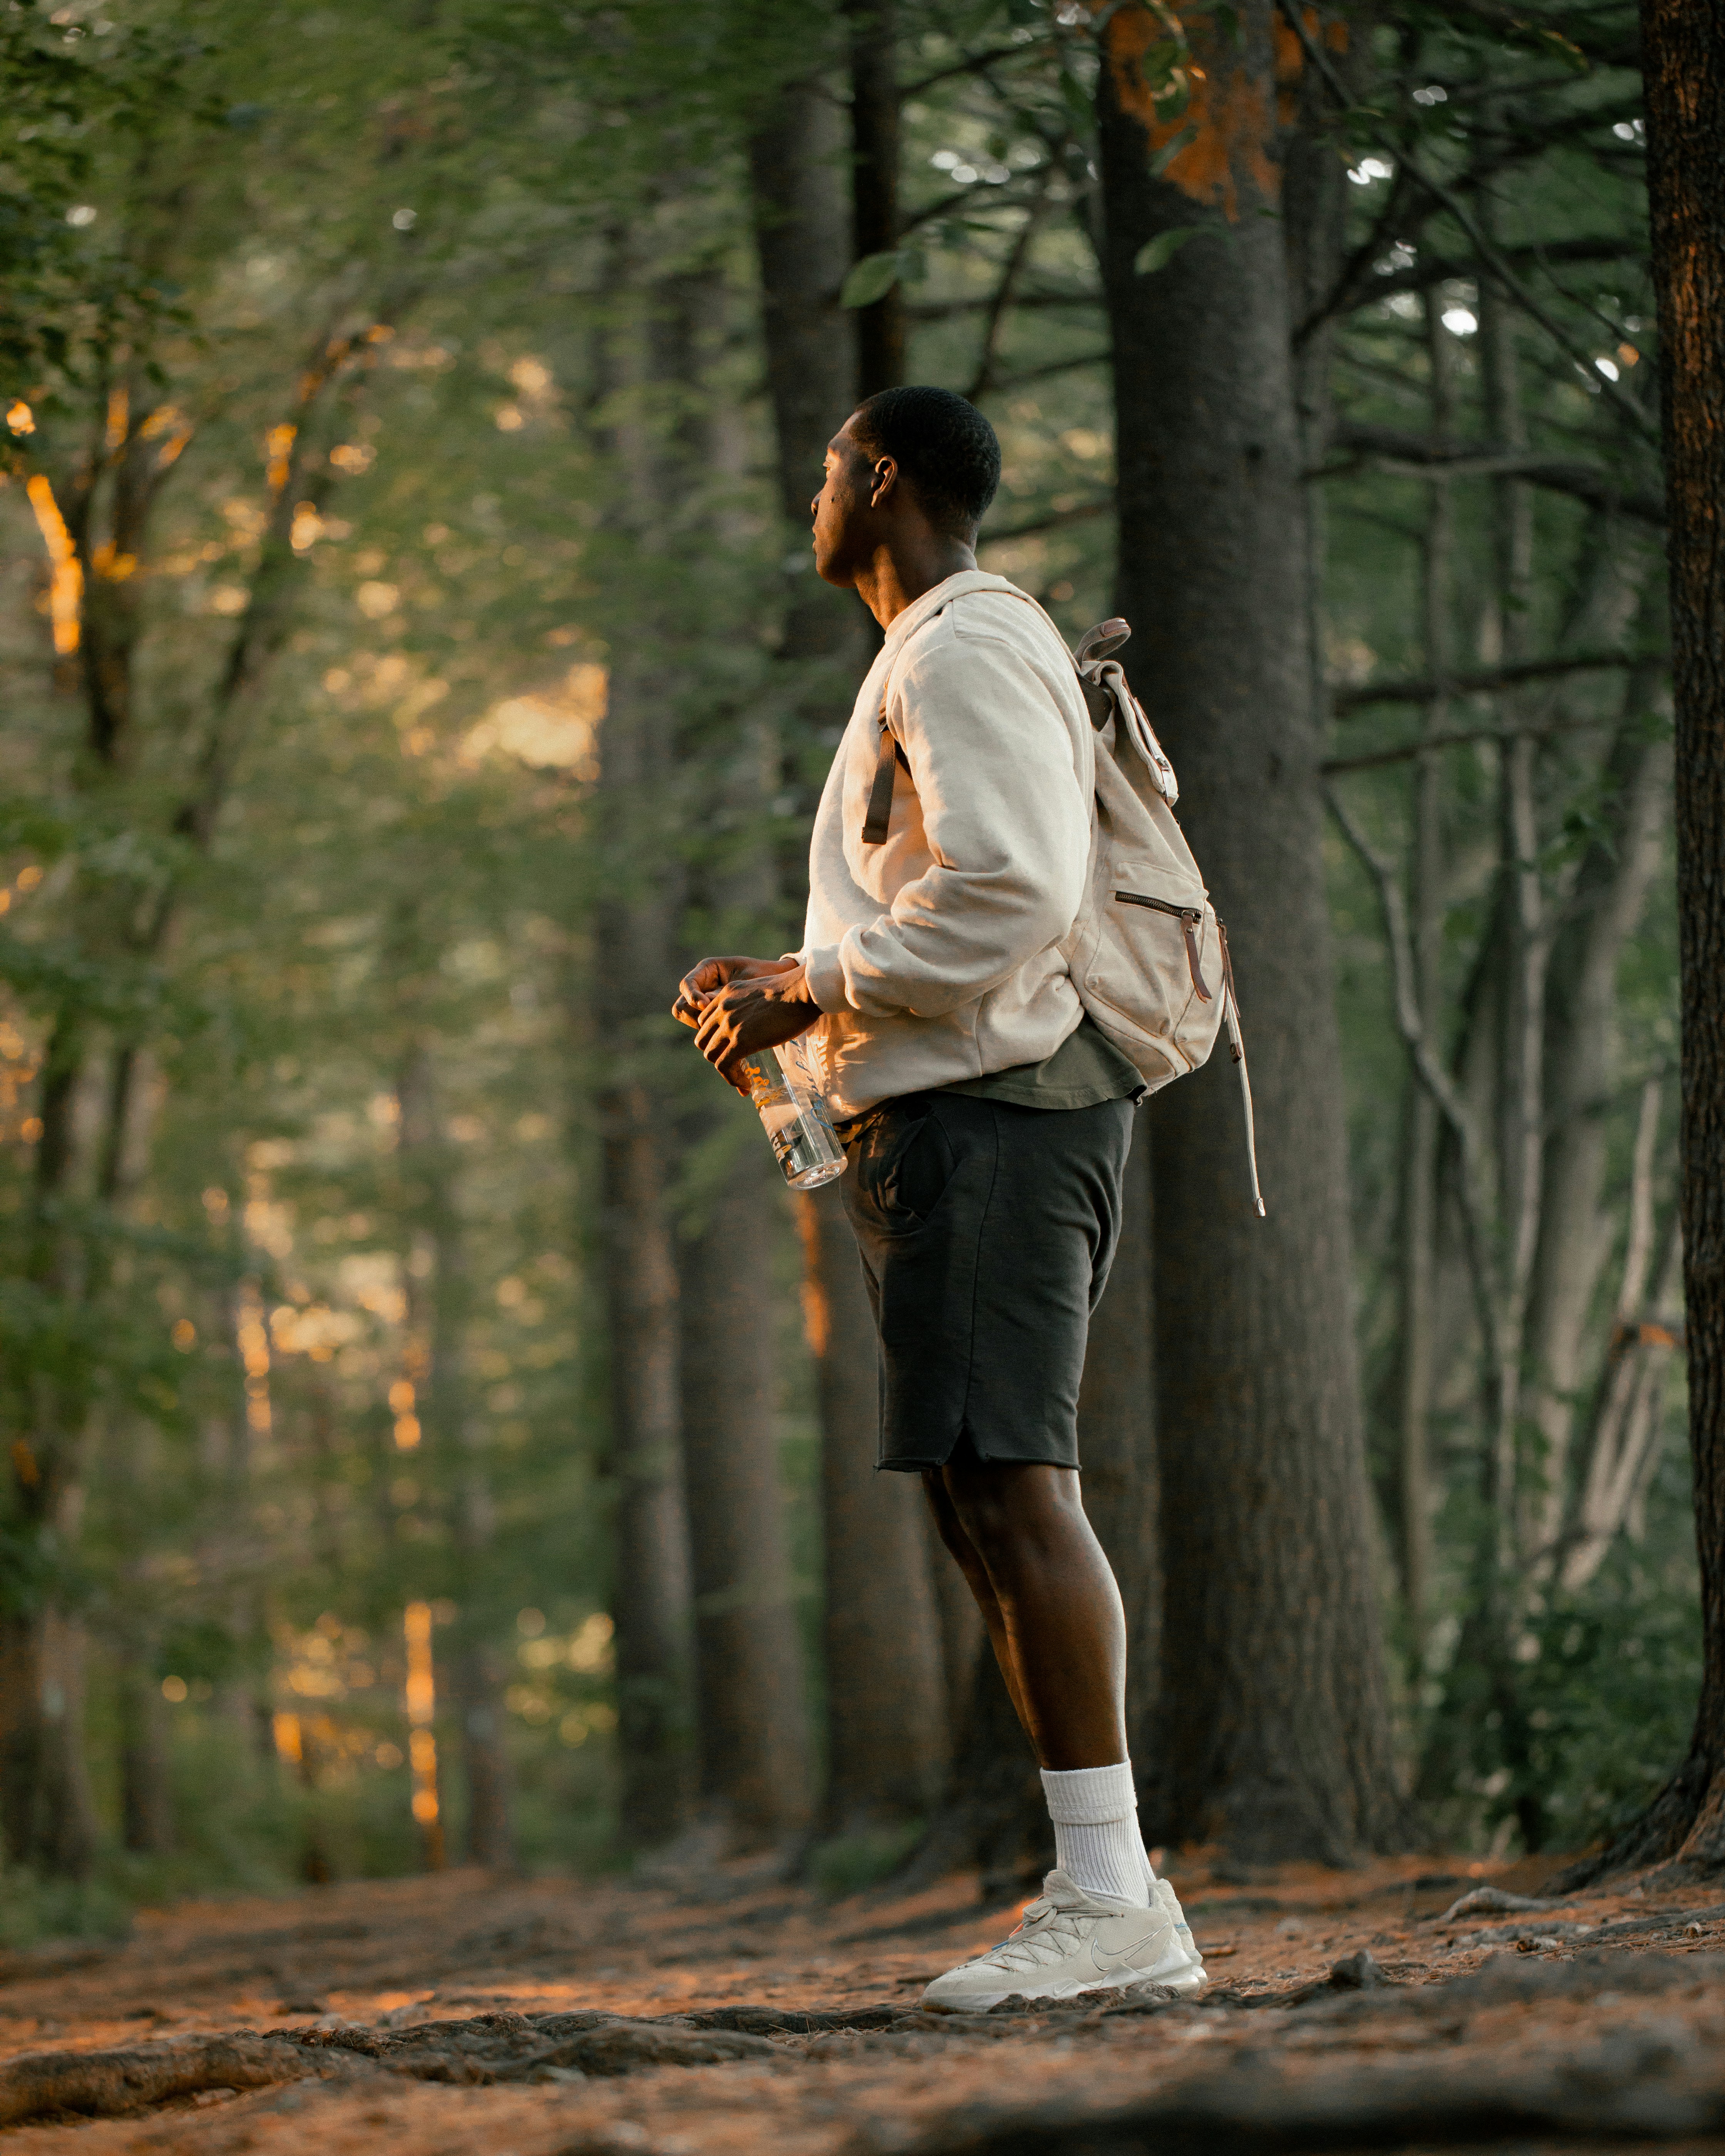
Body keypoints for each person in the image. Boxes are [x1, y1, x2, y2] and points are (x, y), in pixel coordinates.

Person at [672, 385, 1204, 2009]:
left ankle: (1115, 1904)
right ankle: (1102, 1891)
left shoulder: (962, 642)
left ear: (882, 478)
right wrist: (788, 984)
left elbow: (1019, 889)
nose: (812, 486)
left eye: (829, 463)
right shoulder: (931, 653)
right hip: (955, 1113)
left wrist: (814, 979)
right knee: (984, 1491)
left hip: (999, 1113)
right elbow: (948, 890)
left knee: (1017, 1485)